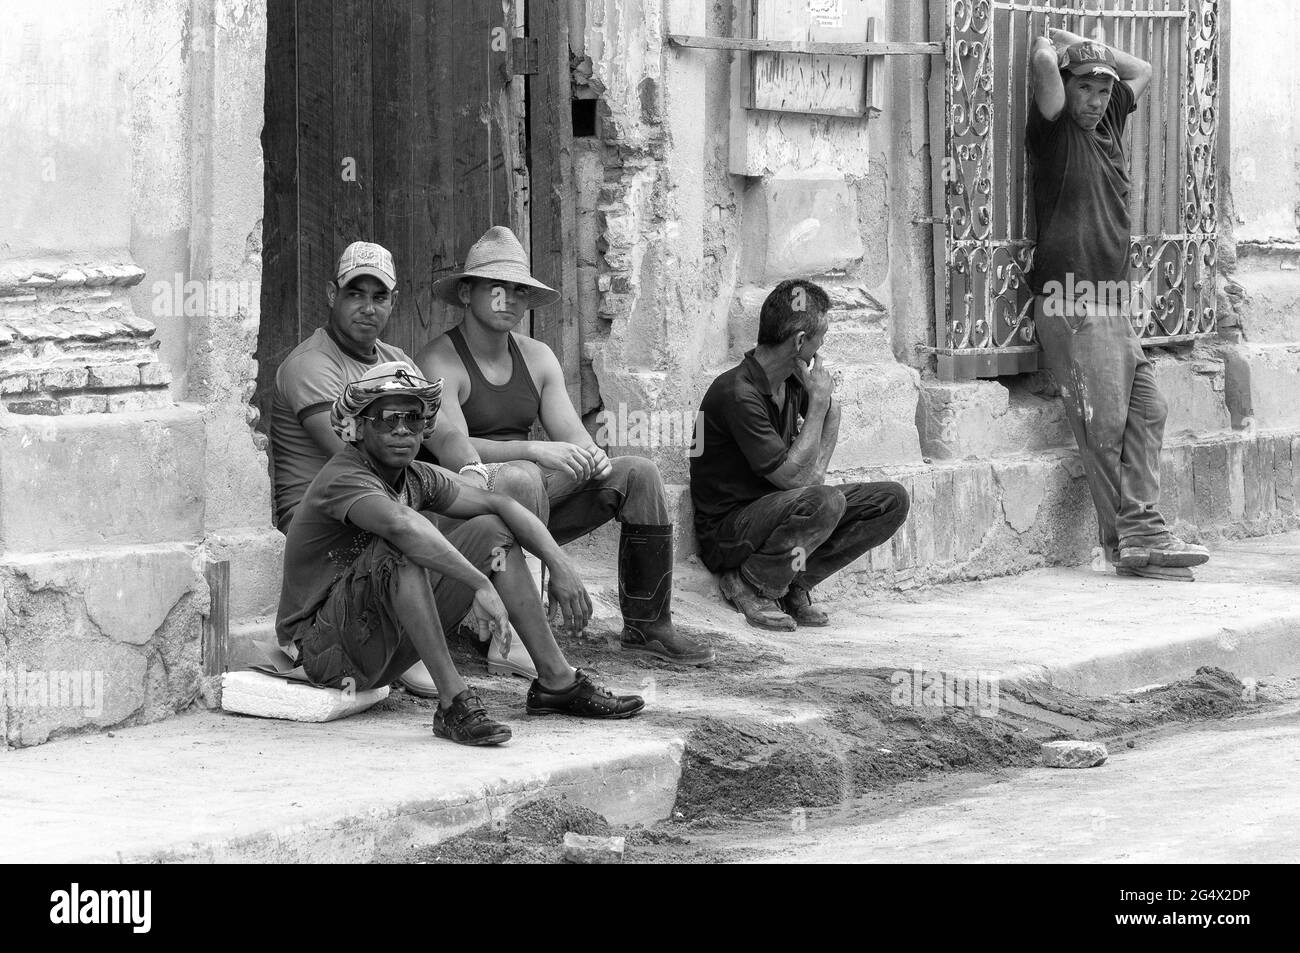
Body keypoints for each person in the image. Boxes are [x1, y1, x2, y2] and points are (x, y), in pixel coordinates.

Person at [274, 361, 644, 747]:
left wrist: (560, 564)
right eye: (387, 418)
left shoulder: (415, 475)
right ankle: (453, 704)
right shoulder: (345, 475)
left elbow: (499, 504)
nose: (402, 429)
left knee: (491, 529)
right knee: (403, 548)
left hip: (376, 642)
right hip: (320, 652)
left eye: (413, 419)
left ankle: (557, 681)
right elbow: (401, 526)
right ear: (359, 426)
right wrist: (479, 583)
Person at [416, 226, 715, 667]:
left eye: (519, 290)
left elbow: (573, 436)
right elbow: (455, 451)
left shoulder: (537, 357)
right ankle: (519, 631)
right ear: (466, 292)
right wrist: (533, 451)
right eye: (497, 287)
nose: (510, 299)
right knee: (522, 476)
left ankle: (648, 625)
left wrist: (590, 455)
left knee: (637, 472)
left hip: (534, 497)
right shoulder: (439, 359)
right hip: (466, 511)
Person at [269, 241, 532, 696]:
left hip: (386, 497)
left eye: (379, 297)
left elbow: (442, 433)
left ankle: (531, 652)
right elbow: (358, 456)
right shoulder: (311, 365)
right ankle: (409, 645)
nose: (367, 308)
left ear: (392, 301)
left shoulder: (396, 361)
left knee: (510, 489)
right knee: (405, 535)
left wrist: (469, 470)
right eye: (355, 294)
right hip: (327, 516)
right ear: (333, 295)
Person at [1026, 29, 1208, 581]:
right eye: (1086, 88)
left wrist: (1092, 49)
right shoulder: (1055, 127)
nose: (1097, 99)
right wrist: (1052, 42)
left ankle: (1138, 527)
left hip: (1110, 301)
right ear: (1067, 86)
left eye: (1103, 90)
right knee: (1103, 428)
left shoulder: (1108, 122)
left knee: (1148, 410)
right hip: (1071, 299)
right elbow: (1040, 66)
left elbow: (1144, 69)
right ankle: (1132, 537)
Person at [690, 279, 909, 630]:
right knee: (824, 502)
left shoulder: (792, 380)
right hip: (731, 529)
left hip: (783, 507)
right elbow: (792, 478)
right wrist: (819, 405)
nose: (823, 347)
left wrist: (823, 422)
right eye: (820, 337)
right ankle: (749, 583)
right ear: (799, 342)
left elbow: (828, 423)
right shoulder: (737, 392)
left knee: (890, 500)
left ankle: (794, 583)